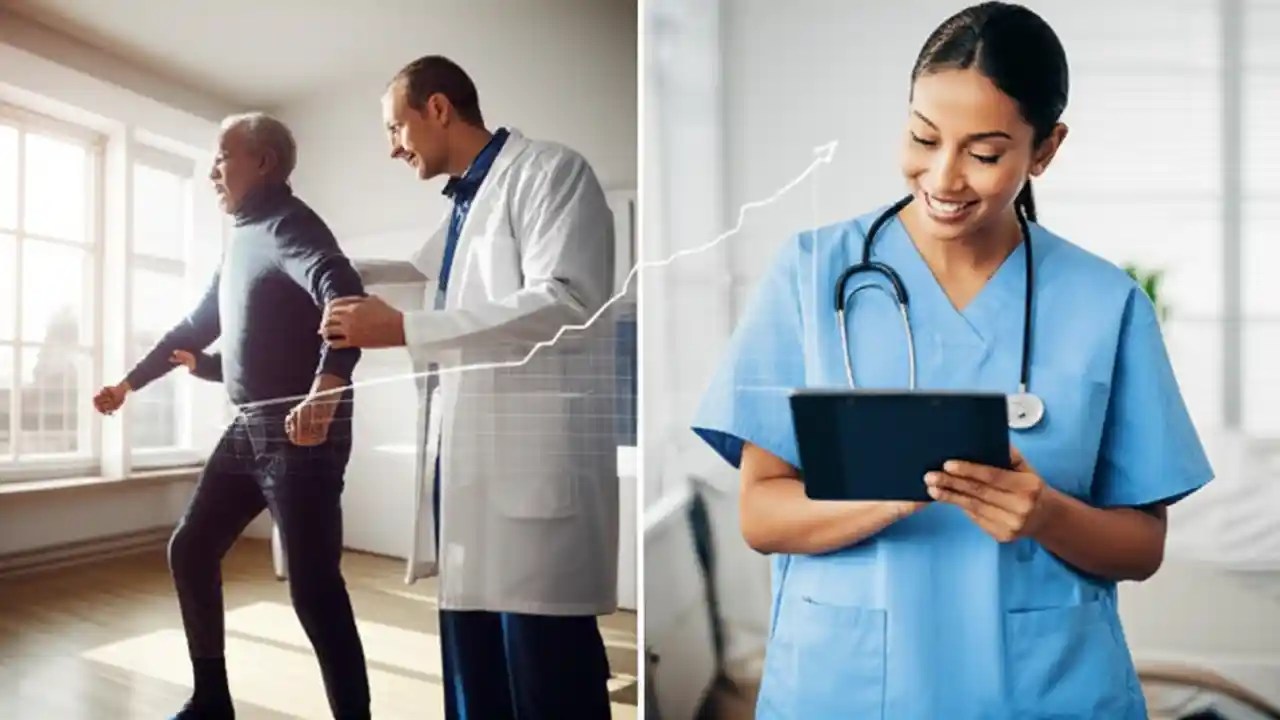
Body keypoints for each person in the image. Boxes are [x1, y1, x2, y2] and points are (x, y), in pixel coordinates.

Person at [690, 3, 1213, 718]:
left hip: (1041, 690)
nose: (943, 176)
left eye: (986, 153)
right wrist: (893, 490)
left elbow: (1142, 546)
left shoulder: (1104, 303)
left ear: (1045, 150)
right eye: (922, 137)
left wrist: (1046, 514)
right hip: (850, 687)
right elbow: (761, 513)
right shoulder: (812, 274)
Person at [319, 56, 618, 719]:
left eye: (396, 127)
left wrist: (405, 327)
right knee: (475, 679)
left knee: (545, 680)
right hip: (471, 476)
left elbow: (569, 303)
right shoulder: (466, 203)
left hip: (529, 475)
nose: (392, 148)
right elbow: (416, 276)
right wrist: (319, 264)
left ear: (439, 109)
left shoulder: (550, 172)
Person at [92, 112, 372, 720]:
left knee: (315, 593)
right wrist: (129, 383)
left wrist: (326, 389)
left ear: (263, 162)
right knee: (190, 550)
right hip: (250, 428)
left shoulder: (290, 225)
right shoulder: (244, 238)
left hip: (300, 434)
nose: (212, 172)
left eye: (223, 157)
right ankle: (213, 701)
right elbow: (201, 328)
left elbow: (343, 292)